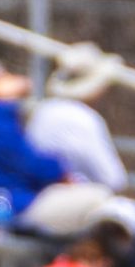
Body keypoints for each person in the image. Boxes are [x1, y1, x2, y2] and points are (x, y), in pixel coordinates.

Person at [0, 61, 67, 229]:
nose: (8, 79)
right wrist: (61, 172)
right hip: (9, 206)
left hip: (17, 201)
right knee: (96, 197)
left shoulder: (0, 119)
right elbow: (30, 164)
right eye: (0, 77)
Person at [27, 42, 129, 191]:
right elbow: (113, 179)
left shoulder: (42, 111)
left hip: (36, 194)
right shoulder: (83, 118)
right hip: (64, 197)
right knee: (123, 209)